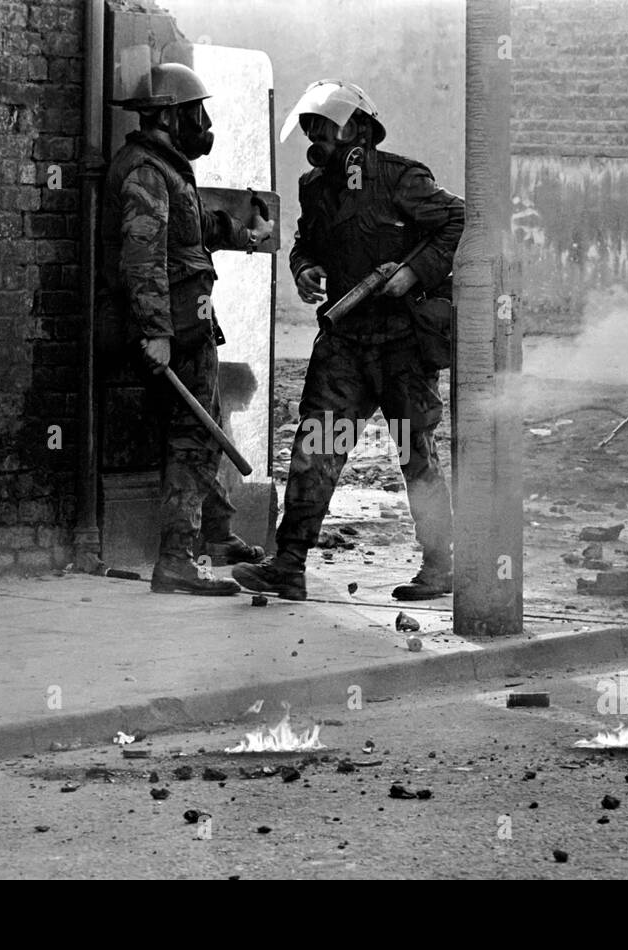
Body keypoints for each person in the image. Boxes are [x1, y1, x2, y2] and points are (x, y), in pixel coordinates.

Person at [234, 80, 463, 602]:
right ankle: (288, 564)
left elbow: (459, 219)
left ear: (359, 128)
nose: (316, 136)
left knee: (414, 451)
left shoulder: (402, 178)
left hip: (403, 343)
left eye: (325, 125)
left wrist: (414, 272)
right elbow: (303, 243)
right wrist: (305, 268)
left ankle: (441, 565)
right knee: (315, 447)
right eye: (311, 127)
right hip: (345, 344)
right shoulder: (313, 187)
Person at [99, 63, 274, 595]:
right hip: (170, 331)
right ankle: (176, 559)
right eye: (195, 112)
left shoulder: (168, 169)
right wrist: (156, 331)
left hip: (188, 329)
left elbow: (193, 231)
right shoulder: (146, 172)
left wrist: (247, 234)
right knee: (193, 438)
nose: (204, 122)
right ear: (171, 116)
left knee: (206, 428)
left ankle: (216, 535)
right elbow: (142, 258)